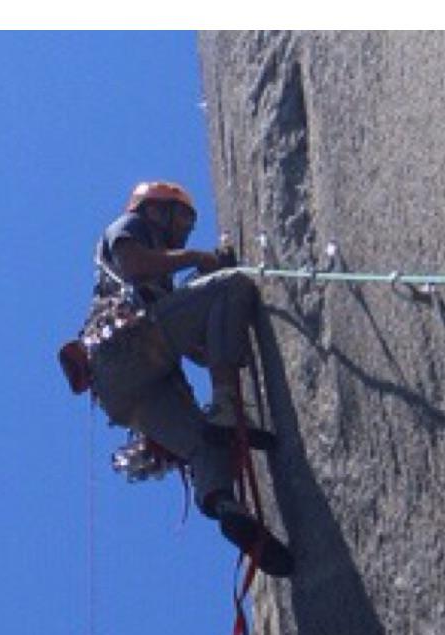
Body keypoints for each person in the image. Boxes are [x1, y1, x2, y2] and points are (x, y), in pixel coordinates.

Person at [83, 181, 293, 576]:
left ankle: (225, 505)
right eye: (182, 217)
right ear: (155, 210)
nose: (185, 229)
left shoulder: (158, 277)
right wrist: (201, 261)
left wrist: (223, 328)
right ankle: (227, 405)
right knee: (231, 287)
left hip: (130, 388)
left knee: (206, 447)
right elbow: (134, 264)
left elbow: (196, 347)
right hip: (127, 348)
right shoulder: (131, 227)